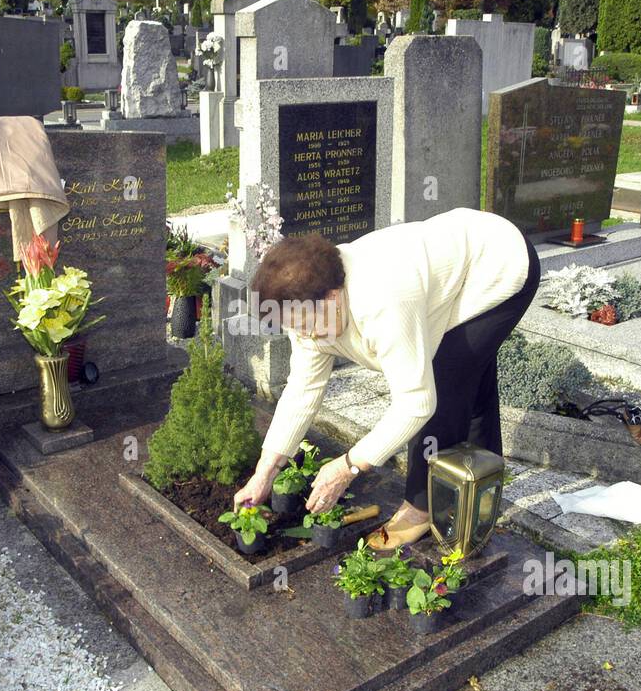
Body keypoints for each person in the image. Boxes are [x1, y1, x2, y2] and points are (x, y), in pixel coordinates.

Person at [231, 208, 541, 550]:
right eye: (295, 328)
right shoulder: (306, 307)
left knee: (444, 378)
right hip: (454, 266)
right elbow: (302, 390)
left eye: (305, 325)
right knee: (466, 377)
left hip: (499, 264)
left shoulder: (381, 299)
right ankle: (481, 490)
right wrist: (265, 472)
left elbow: (416, 403)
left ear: (333, 297)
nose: (305, 336)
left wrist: (347, 467)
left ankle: (421, 508)